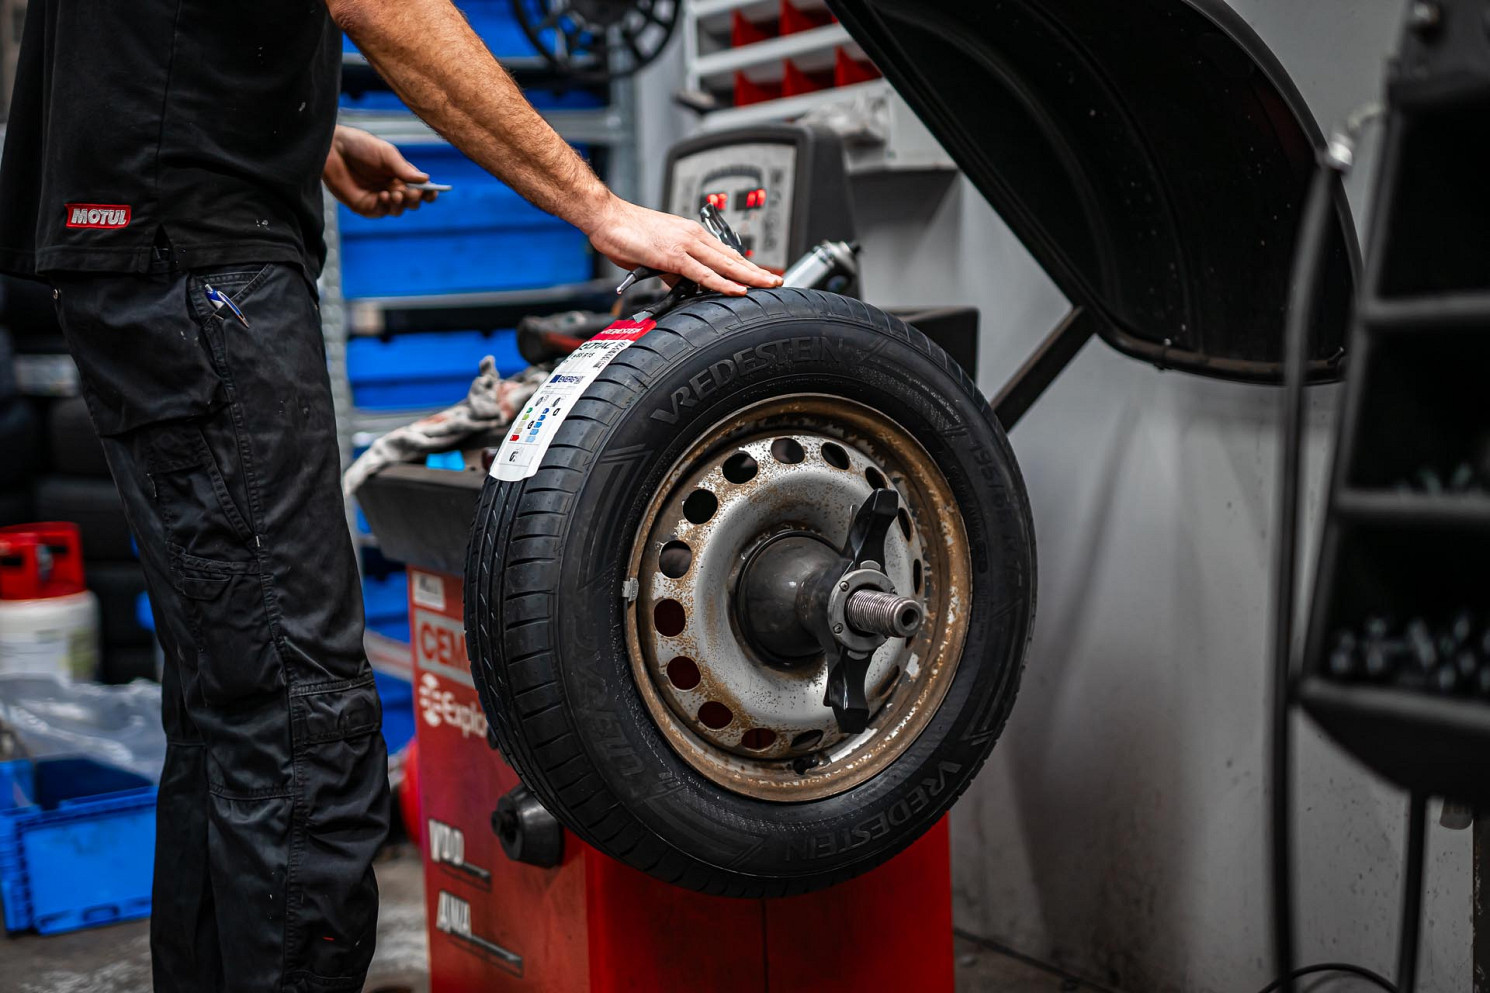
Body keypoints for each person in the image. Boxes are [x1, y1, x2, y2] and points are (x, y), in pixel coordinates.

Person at [0, 0, 780, 989]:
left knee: (228, 708)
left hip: (141, 247)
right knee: (300, 726)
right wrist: (599, 209)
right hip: (198, 265)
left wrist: (299, 131)